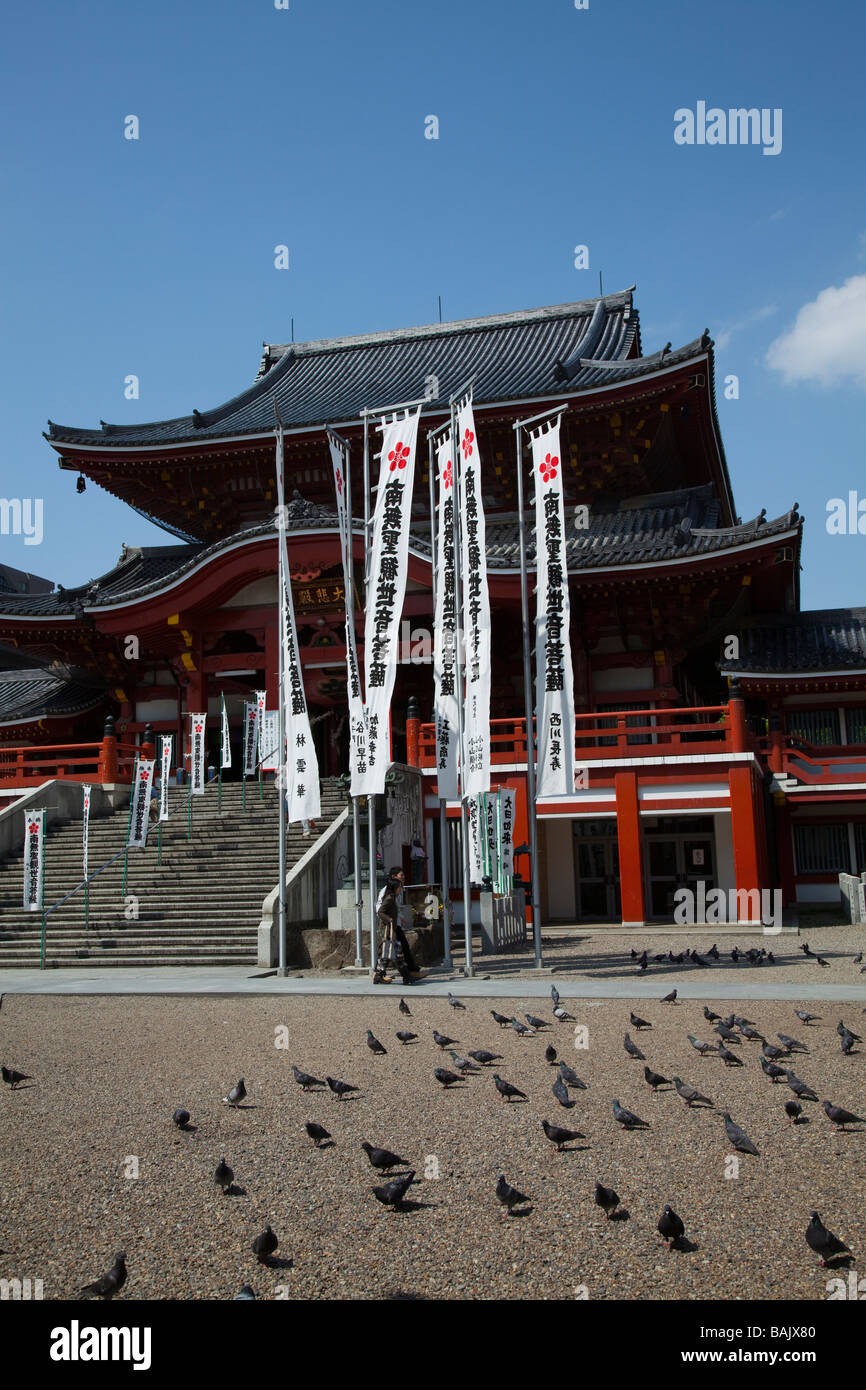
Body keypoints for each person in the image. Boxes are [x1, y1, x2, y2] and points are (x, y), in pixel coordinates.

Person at [375, 866, 424, 983]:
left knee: (390, 951)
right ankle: (407, 975)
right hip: (389, 927)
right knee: (396, 951)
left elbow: (395, 909)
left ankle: (380, 974)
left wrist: (400, 918)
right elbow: (380, 910)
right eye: (401, 875)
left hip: (394, 926)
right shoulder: (388, 894)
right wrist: (390, 920)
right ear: (394, 877)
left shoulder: (395, 894)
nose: (404, 877)